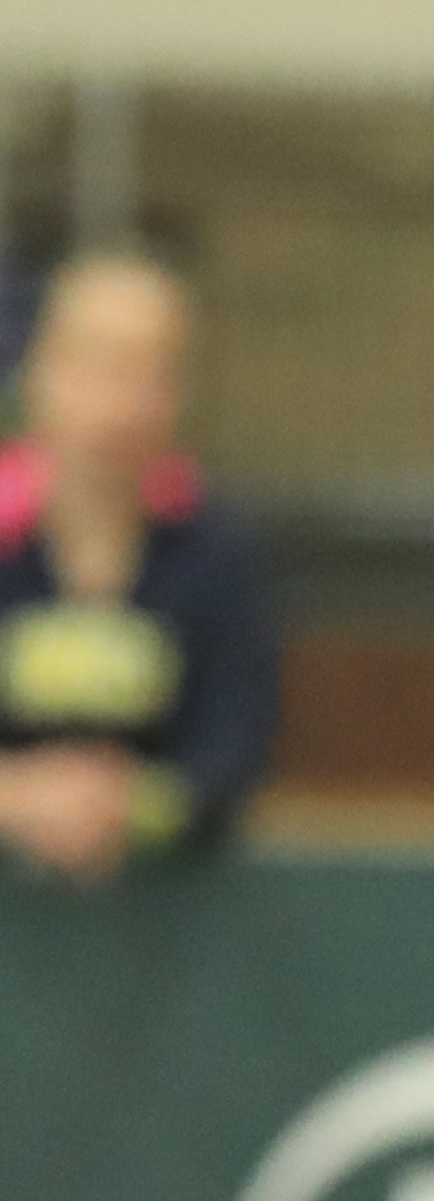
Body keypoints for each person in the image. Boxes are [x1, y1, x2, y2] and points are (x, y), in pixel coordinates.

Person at [0, 250, 271, 878]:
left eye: (152, 371)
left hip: (168, 923)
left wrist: (121, 809)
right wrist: (20, 801)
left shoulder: (218, 554)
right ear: (40, 368)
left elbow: (231, 755)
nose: (122, 400)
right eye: (99, 363)